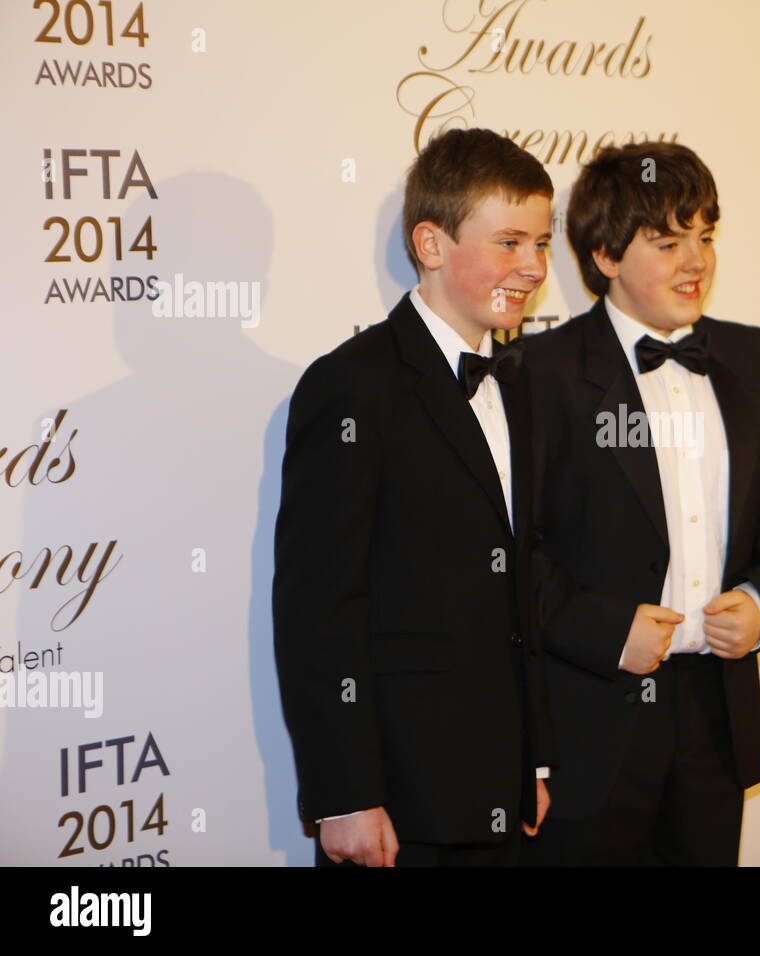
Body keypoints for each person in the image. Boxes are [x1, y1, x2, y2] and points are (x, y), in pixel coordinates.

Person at [522, 141, 760, 865]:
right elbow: (508, 553)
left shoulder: (754, 357)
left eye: (706, 236)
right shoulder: (540, 373)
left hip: (715, 718)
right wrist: (607, 629)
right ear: (605, 255)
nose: (697, 260)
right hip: (592, 724)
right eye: (667, 241)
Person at [272, 128, 555, 867]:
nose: (532, 267)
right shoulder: (353, 384)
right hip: (397, 798)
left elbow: (523, 587)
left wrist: (538, 758)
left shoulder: (519, 385)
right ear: (432, 244)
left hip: (503, 787)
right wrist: (343, 793)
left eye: (542, 245)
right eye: (511, 242)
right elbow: (318, 605)